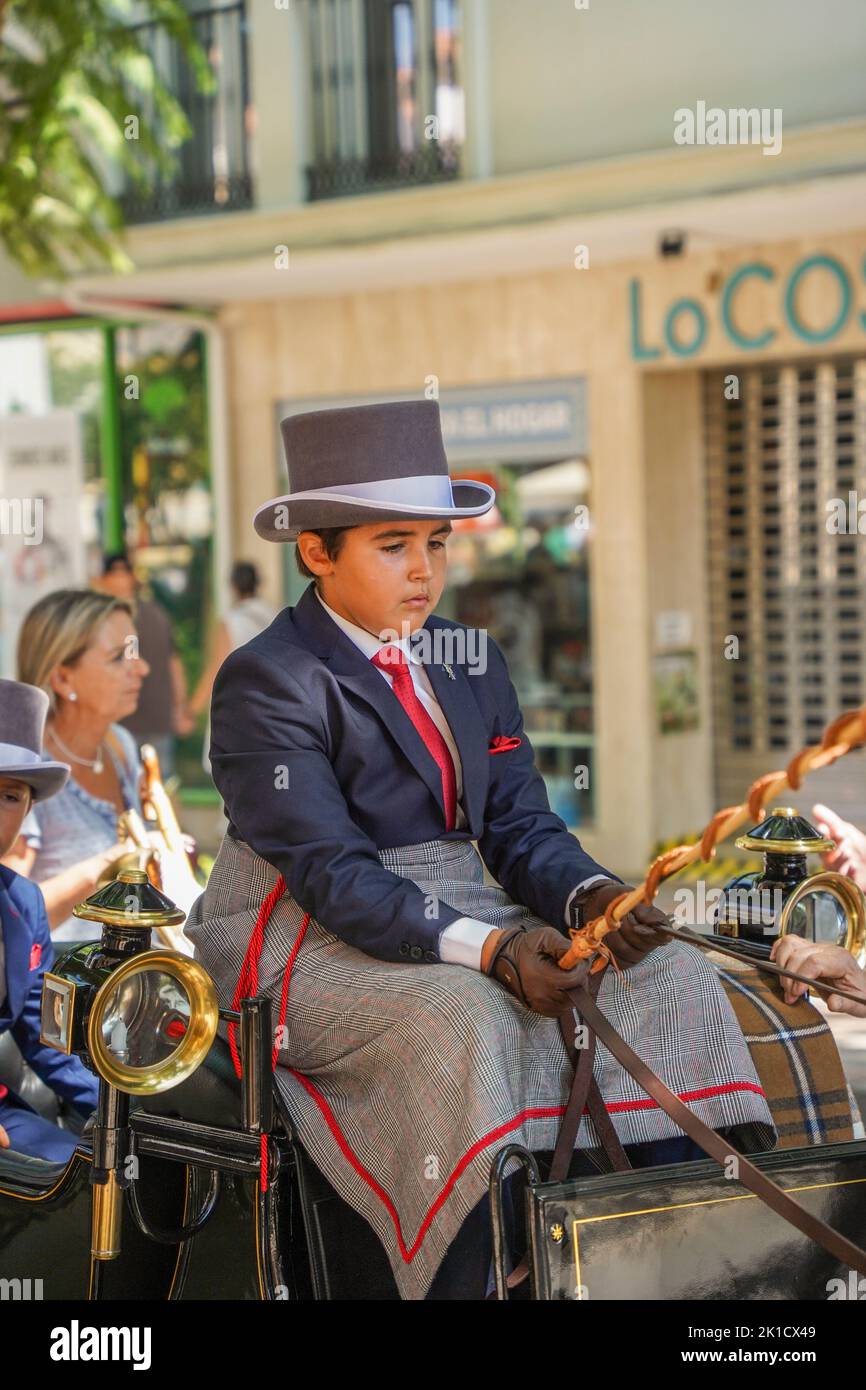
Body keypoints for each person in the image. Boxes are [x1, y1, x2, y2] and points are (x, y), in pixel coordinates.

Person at [186, 399, 776, 1301]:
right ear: (315, 551)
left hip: (460, 904)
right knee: (466, 1015)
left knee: (677, 980)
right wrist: (495, 951)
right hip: (293, 931)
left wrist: (592, 902)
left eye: (438, 542)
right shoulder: (268, 677)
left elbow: (518, 827)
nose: (424, 572)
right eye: (394, 546)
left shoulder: (471, 658)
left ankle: (696, 1271)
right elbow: (334, 874)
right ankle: (481, 1281)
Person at [3, 590, 150, 941]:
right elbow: (7, 919)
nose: (142, 668)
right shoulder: (26, 769)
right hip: (62, 983)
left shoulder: (120, 745)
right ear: (63, 679)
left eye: (136, 652)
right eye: (120, 657)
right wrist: (105, 869)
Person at [0, 679, 99, 1160]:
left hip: (6, 1113)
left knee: (92, 1182)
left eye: (10, 796)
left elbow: (45, 1036)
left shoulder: (23, 902)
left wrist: (126, 1110)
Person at [97, 551, 192, 778]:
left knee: (129, 791)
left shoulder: (108, 618)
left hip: (129, 719)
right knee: (158, 788)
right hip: (136, 718)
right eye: (115, 573)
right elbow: (175, 664)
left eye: (122, 573)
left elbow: (173, 663)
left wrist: (180, 708)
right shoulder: (157, 613)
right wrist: (180, 708)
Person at [187, 560, 277, 774]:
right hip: (272, 708)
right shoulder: (275, 615)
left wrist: (192, 709)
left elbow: (217, 669)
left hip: (238, 709)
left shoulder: (231, 621)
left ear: (233, 587)